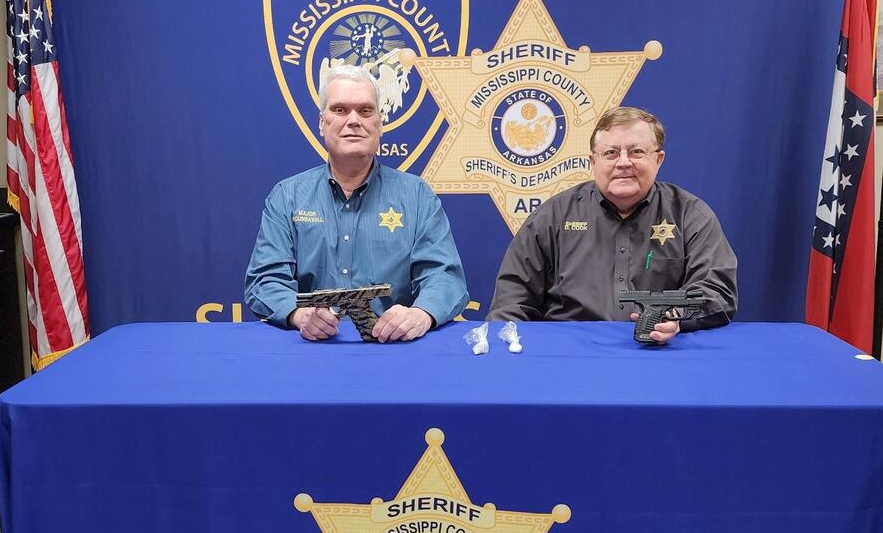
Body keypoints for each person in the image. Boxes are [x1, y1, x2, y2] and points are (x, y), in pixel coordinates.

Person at [245, 65, 468, 342]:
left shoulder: (417, 196)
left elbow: (444, 277)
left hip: (394, 352)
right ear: (321, 122)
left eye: (365, 110)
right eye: (339, 110)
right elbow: (265, 280)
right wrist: (300, 315)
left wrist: (420, 315)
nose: (353, 120)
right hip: (311, 355)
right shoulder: (286, 196)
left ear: (380, 123)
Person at [488, 106, 737, 344]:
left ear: (658, 160)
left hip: (658, 352)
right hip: (568, 355)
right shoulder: (552, 217)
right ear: (592, 161)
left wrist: (675, 316)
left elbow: (716, 290)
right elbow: (513, 299)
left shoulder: (690, 215)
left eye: (637, 152)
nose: (624, 162)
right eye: (611, 153)